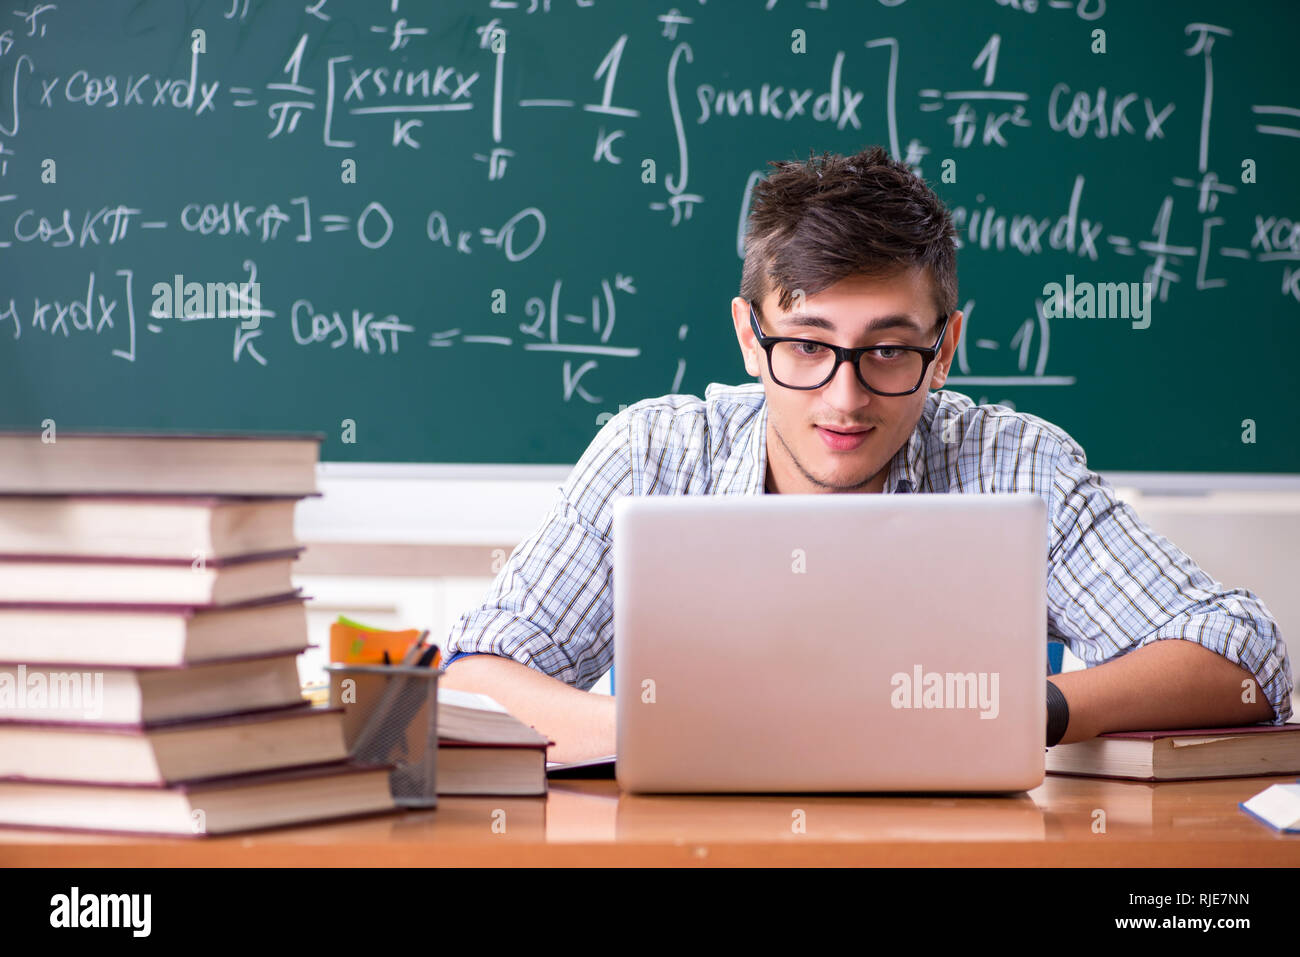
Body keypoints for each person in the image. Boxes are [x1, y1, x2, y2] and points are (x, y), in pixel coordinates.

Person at [440, 145, 1293, 765]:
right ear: (750, 335)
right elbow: (476, 677)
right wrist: (678, 731)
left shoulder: (1016, 463)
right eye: (808, 347)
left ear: (946, 346)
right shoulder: (651, 454)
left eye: (889, 350)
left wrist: (1030, 708)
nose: (844, 399)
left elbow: (1245, 654)